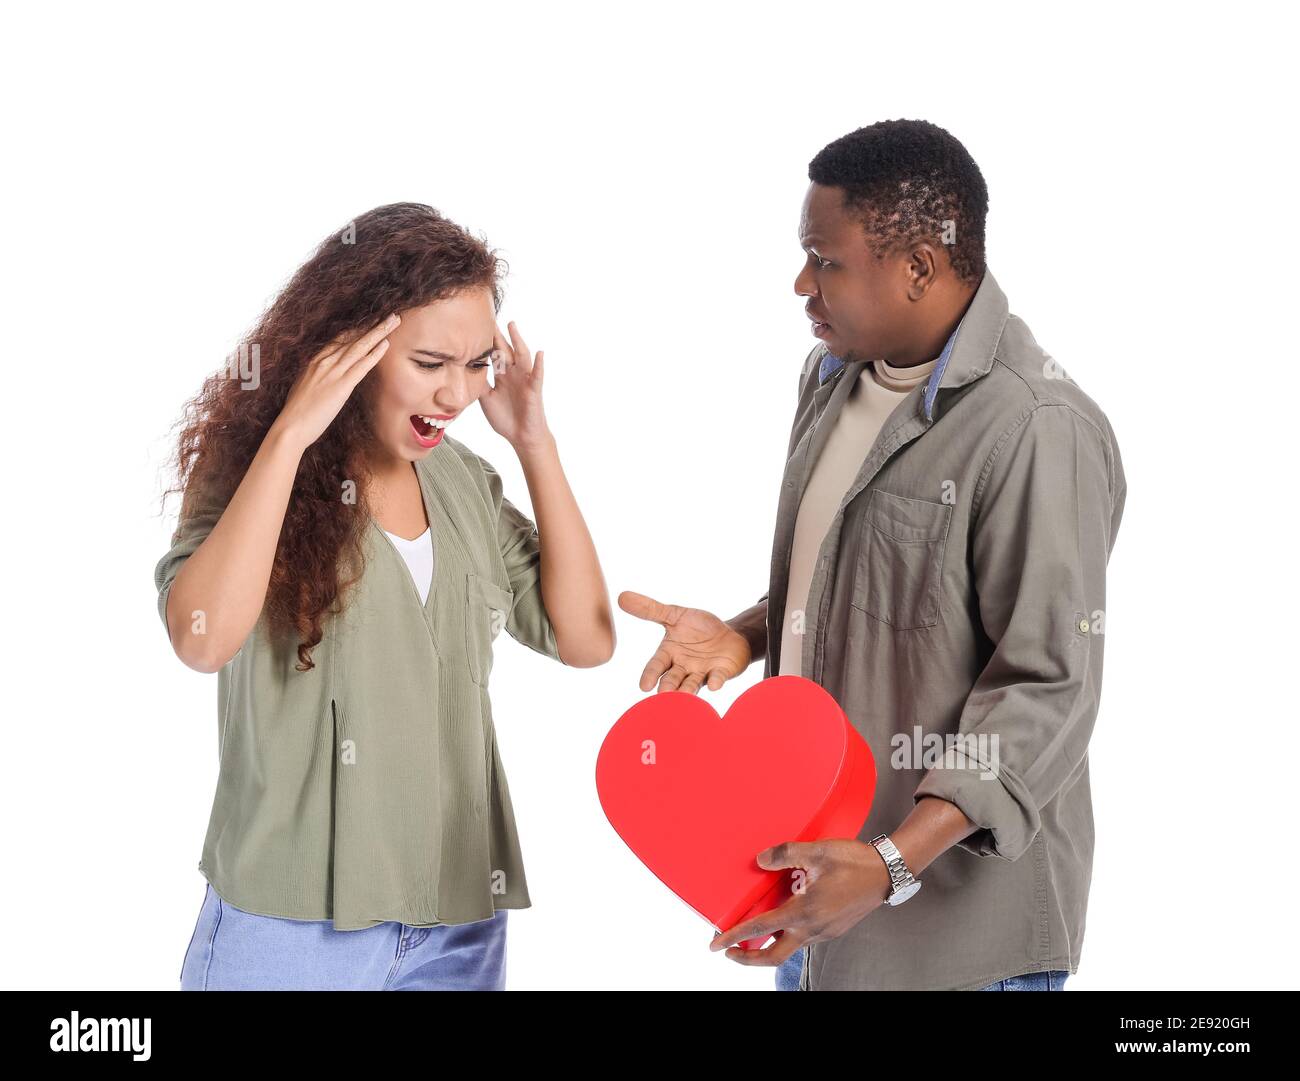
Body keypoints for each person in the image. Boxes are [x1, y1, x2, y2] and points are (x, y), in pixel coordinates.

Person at [620, 120, 1126, 991]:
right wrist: (749, 633)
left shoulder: (1037, 427)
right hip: (822, 919)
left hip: (958, 949)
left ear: (919, 267)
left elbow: (1045, 686)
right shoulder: (832, 377)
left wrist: (891, 862)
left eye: (826, 261)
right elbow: (870, 577)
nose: (800, 284)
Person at [156, 202, 615, 990]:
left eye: (476, 365)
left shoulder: (463, 479)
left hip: (460, 920)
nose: (458, 394)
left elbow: (586, 639)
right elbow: (202, 639)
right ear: (351, 350)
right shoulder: (253, 474)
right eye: (430, 362)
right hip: (292, 928)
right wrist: (292, 432)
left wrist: (535, 443)